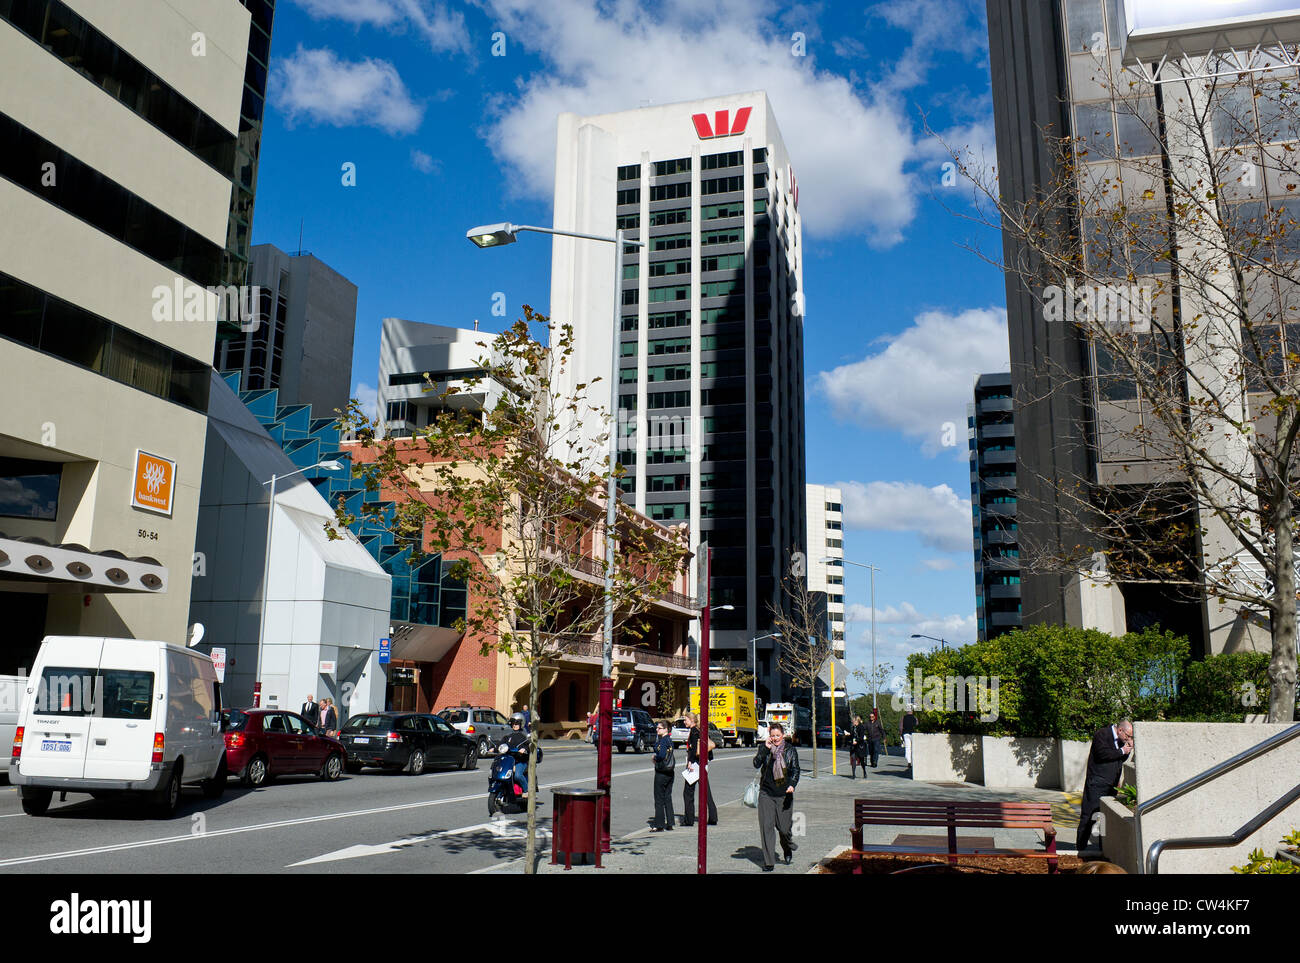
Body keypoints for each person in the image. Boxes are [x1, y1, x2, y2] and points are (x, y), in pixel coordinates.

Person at [1077, 718, 1134, 854]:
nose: (1128, 738)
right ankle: (1081, 848)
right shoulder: (1102, 734)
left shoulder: (1121, 741)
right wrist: (1122, 751)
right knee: (1089, 815)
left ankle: (1104, 849)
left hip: (1110, 785)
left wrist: (1128, 750)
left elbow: (1119, 759)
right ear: (1120, 730)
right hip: (1097, 782)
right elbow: (1102, 754)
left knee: (1105, 817)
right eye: (1127, 735)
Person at [753, 722, 800, 871]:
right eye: (772, 736)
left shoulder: (790, 750)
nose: (775, 738)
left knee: (784, 829)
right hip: (766, 793)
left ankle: (787, 847)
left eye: (778, 735)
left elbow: (795, 770)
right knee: (766, 827)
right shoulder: (765, 748)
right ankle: (769, 862)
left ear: (783, 735)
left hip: (784, 795)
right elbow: (756, 763)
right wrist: (765, 750)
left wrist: (792, 784)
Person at [682, 711, 718, 826]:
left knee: (688, 793)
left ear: (692, 720)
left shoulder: (693, 732)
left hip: (695, 765)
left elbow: (693, 750)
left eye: (685, 720)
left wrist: (690, 762)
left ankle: (689, 820)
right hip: (703, 765)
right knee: (706, 792)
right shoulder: (701, 732)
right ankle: (713, 817)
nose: (684, 722)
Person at [651, 721, 676, 832]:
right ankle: (670, 823)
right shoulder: (670, 740)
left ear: (666, 729)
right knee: (667, 797)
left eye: (660, 728)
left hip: (662, 772)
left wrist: (655, 758)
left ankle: (659, 824)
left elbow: (661, 755)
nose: (657, 730)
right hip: (670, 771)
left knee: (659, 798)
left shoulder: (664, 740)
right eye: (657, 728)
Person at [501, 712, 535, 792]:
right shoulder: (508, 735)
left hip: (520, 760)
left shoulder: (524, 735)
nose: (514, 725)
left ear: (521, 724)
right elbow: (502, 743)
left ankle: (527, 791)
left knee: (518, 775)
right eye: (513, 723)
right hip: (509, 760)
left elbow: (529, 744)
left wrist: (525, 749)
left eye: (517, 723)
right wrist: (494, 747)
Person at [847, 715, 867, 779]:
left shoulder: (861, 727)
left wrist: (857, 741)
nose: (853, 722)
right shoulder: (853, 727)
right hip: (853, 746)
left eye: (854, 720)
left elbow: (861, 737)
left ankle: (864, 772)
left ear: (857, 721)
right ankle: (853, 774)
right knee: (853, 759)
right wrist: (848, 734)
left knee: (861, 760)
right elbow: (852, 735)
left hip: (860, 745)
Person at [900, 704, 918, 771]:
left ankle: (909, 762)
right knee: (913, 748)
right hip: (913, 734)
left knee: (908, 748)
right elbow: (917, 725)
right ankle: (914, 761)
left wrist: (901, 734)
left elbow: (901, 727)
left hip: (906, 734)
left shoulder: (903, 717)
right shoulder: (915, 717)